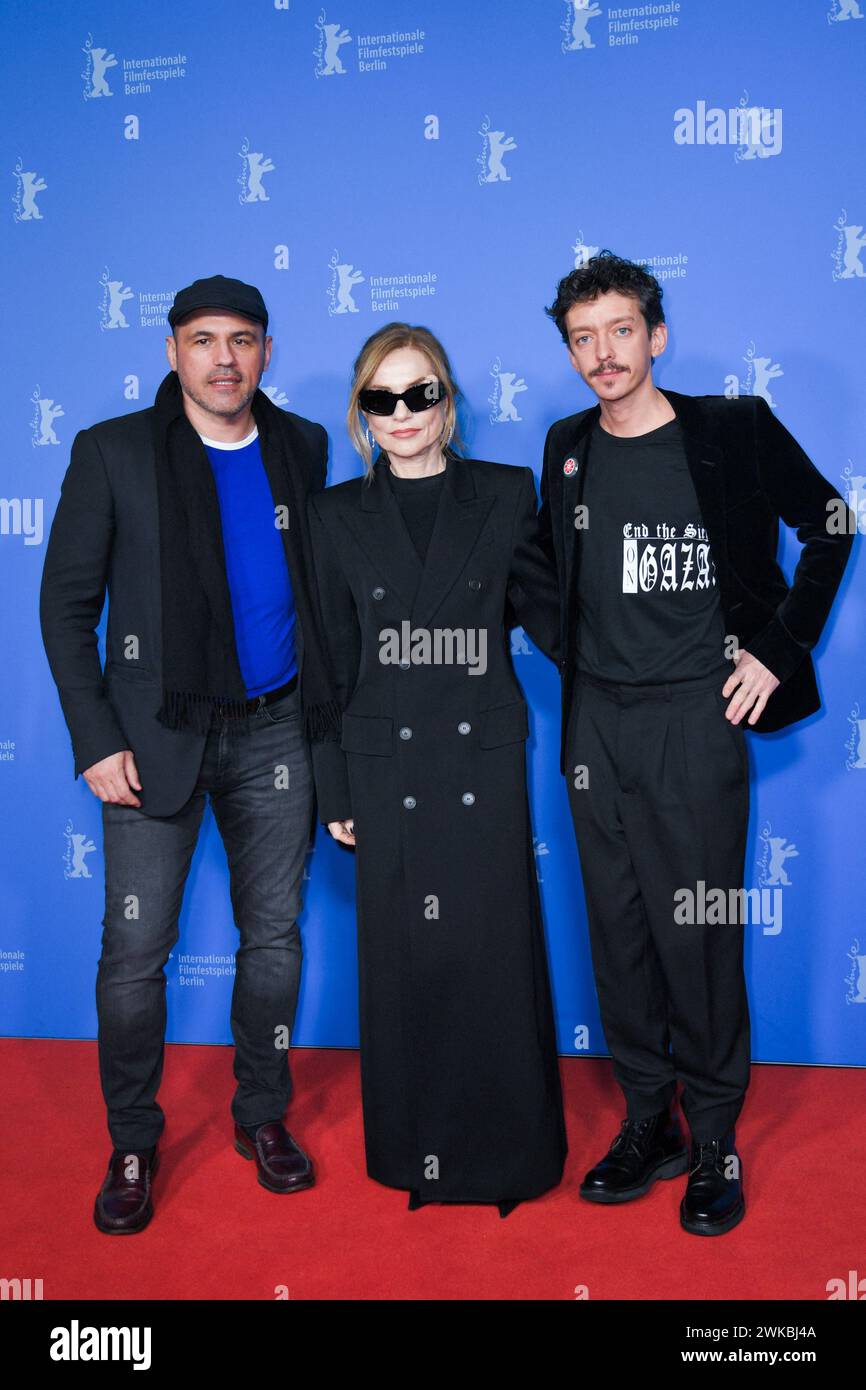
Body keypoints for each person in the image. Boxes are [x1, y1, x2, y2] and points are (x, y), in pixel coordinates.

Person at [539, 251, 854, 1235]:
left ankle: (713, 1135)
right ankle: (648, 1122)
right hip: (595, 723)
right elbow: (545, 574)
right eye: (582, 337)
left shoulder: (730, 428)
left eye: (619, 331)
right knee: (619, 934)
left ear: (655, 334)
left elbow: (833, 521)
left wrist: (776, 644)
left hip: (696, 716)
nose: (602, 354)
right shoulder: (563, 447)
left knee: (698, 937)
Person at [39, 275, 341, 1233]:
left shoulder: (302, 445)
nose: (224, 358)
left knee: (275, 939)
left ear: (265, 352)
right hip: (150, 737)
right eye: (204, 339)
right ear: (173, 351)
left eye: (243, 339)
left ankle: (261, 1116)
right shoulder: (114, 452)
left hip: (276, 729)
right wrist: (95, 737)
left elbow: (320, 598)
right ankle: (132, 1137)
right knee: (134, 955)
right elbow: (65, 608)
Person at [308, 323, 567, 1216]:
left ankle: (508, 1153)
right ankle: (417, 1146)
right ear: (362, 414)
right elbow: (326, 662)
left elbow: (551, 615)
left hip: (479, 759)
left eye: (421, 393)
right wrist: (333, 786)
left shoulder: (505, 494)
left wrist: (653, 657)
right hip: (385, 766)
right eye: (383, 398)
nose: (403, 412)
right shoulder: (334, 516)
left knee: (491, 954)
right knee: (408, 961)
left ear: (448, 402)